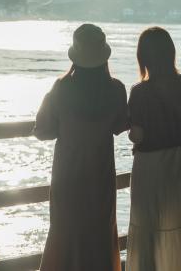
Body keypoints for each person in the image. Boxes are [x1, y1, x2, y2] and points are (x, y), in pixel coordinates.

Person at [34, 23, 129, 271]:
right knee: (99, 233)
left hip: (67, 174)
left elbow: (42, 131)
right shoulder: (115, 89)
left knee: (65, 232)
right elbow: (121, 125)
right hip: (100, 175)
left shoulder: (61, 89)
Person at [125, 26, 181, 271]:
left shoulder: (139, 92)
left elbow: (137, 135)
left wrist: (131, 133)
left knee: (147, 224)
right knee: (178, 220)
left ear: (143, 57)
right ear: (171, 53)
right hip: (179, 160)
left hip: (149, 163)